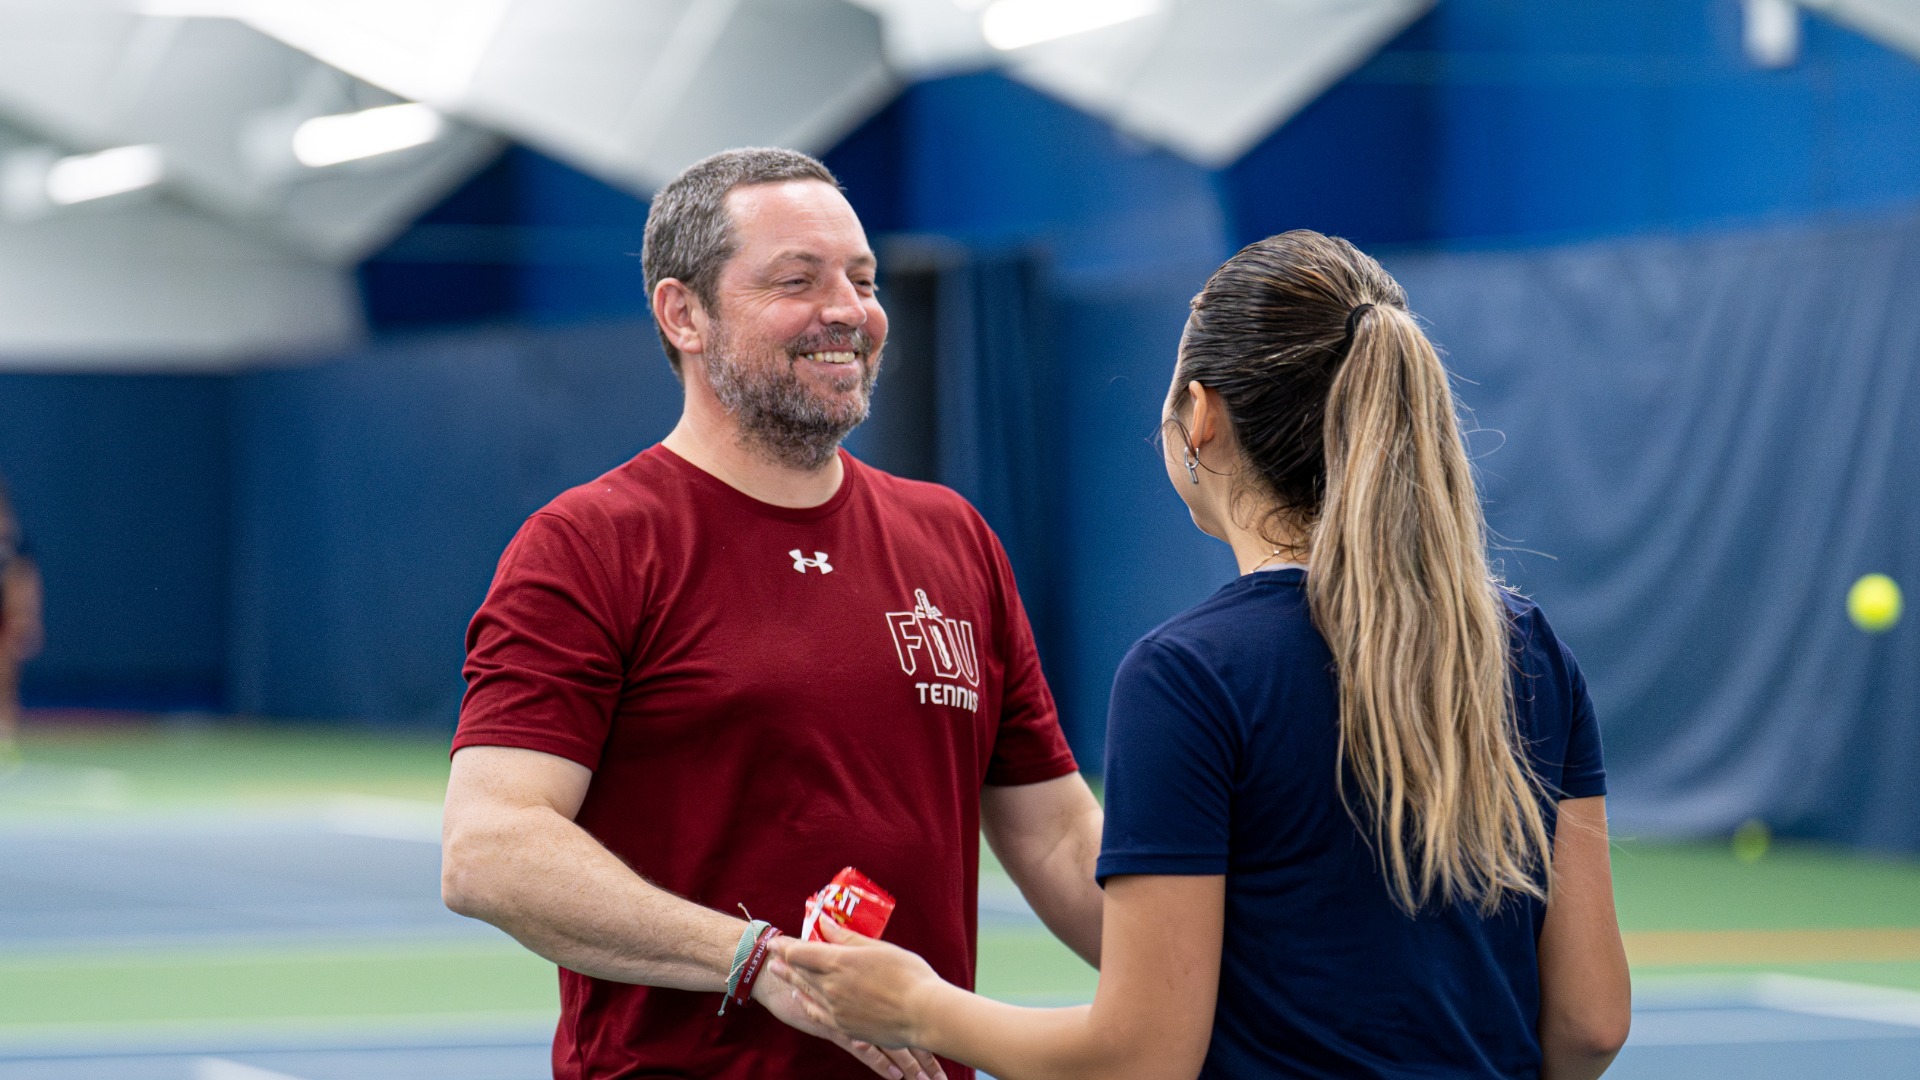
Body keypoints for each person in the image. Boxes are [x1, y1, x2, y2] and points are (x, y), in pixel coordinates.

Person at [775, 230, 1633, 1080]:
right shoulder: (1528, 651)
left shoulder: (1189, 678)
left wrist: (918, 1006)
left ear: (1201, 416)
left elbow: (1143, 1057)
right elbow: (1590, 1023)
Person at [440, 148, 1106, 1080]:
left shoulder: (952, 538)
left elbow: (1058, 834)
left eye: (863, 279)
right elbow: (491, 847)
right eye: (798, 280)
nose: (849, 311)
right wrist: (754, 962)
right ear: (684, 315)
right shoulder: (590, 545)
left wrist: (1234, 983)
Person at [0, 477, 43, 758]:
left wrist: (28, 619)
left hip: (5, 611)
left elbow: (25, 578)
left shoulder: (13, 541)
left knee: (6, 664)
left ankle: (5, 728)